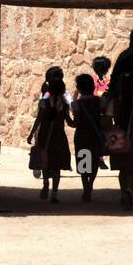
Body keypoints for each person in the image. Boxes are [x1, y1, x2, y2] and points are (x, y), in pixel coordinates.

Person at [103, 72, 133, 211]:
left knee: (122, 168)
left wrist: (113, 130)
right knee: (132, 168)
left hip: (117, 139)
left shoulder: (114, 102)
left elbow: (107, 119)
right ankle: (129, 191)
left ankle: (124, 192)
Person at [27, 71, 73, 202]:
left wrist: (31, 134)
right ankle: (55, 194)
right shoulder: (64, 105)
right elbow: (69, 121)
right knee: (56, 164)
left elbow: (39, 120)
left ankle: (46, 182)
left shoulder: (43, 103)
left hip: (44, 135)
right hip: (58, 136)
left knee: (45, 161)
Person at [71, 74, 104, 202]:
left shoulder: (77, 104)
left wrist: (68, 120)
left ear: (79, 88)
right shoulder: (99, 101)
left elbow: (75, 122)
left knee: (84, 162)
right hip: (95, 135)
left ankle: (86, 188)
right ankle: (90, 185)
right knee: (94, 160)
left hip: (82, 135)